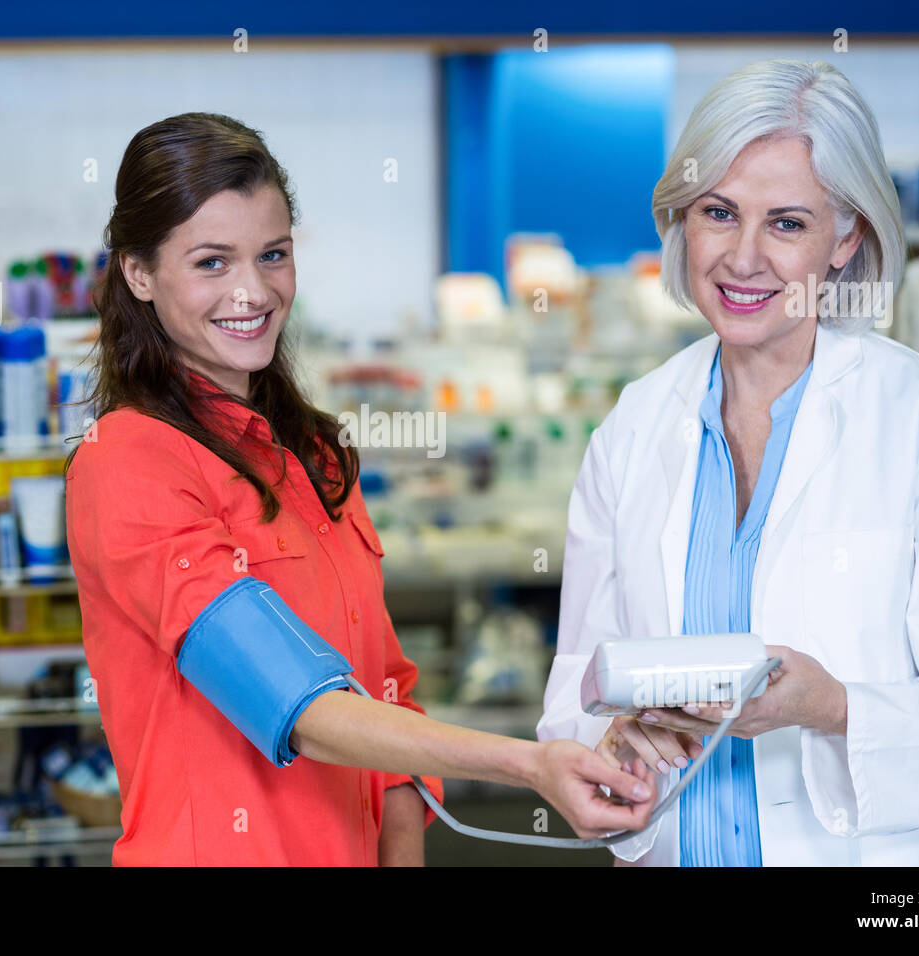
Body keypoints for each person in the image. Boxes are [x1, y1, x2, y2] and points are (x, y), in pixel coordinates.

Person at [64, 112, 656, 866]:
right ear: (139, 273)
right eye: (212, 262)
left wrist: (400, 851)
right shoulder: (129, 462)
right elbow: (298, 704)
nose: (253, 291)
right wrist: (530, 764)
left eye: (272, 255)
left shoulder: (312, 451)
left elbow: (385, 691)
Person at [538, 59, 919, 866]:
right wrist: (609, 741)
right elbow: (579, 681)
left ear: (846, 240)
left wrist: (833, 706)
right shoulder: (633, 428)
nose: (742, 258)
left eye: (787, 224)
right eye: (719, 212)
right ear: (681, 220)